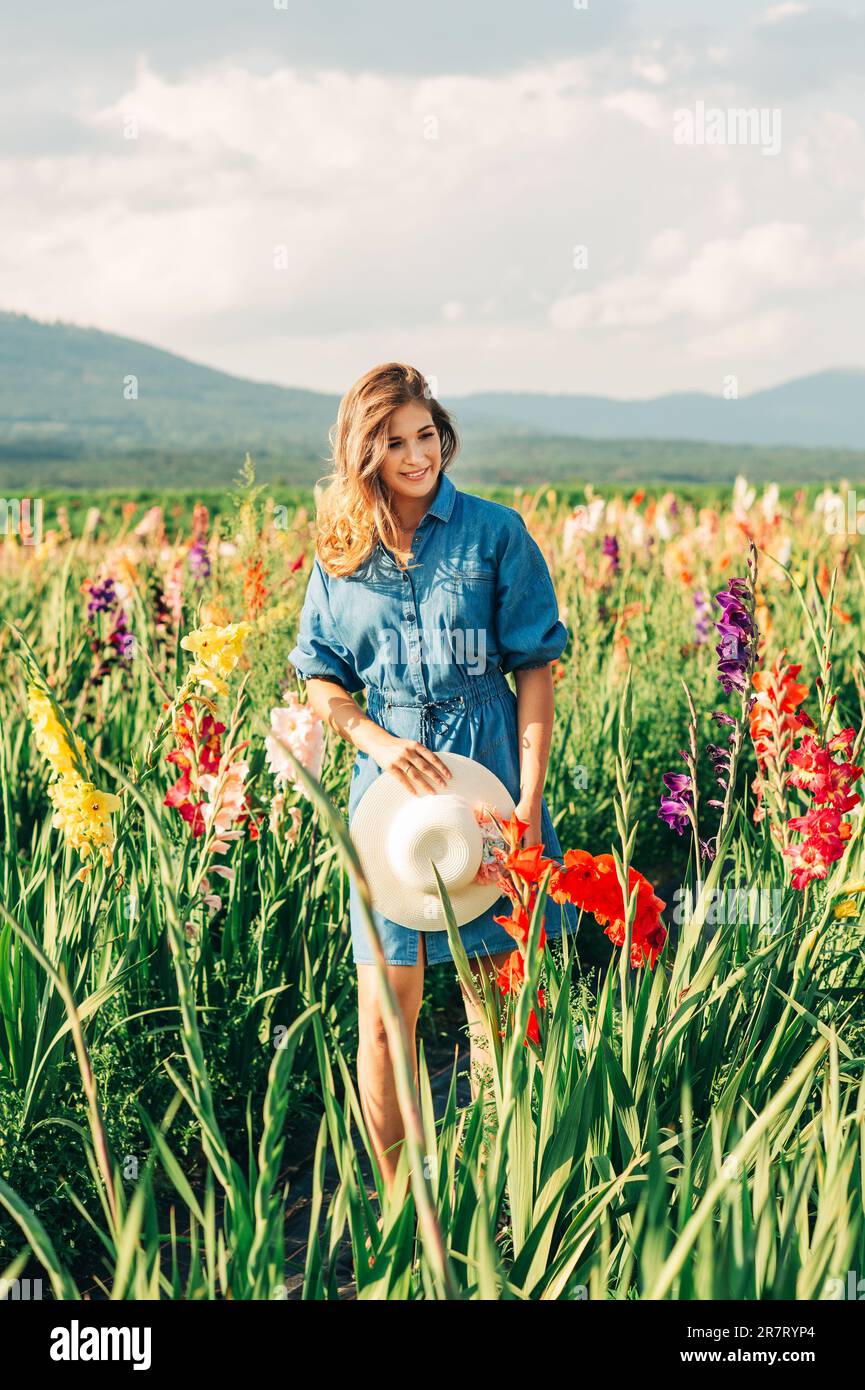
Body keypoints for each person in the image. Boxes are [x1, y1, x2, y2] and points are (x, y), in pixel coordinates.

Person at [288, 361, 578, 1197]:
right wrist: (376, 740)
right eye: (394, 442)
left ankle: (513, 1190)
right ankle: (399, 1212)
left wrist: (525, 798)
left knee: (508, 1010)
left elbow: (533, 668)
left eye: (426, 436)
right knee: (383, 1022)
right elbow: (321, 676)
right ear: (363, 452)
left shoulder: (494, 533)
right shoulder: (339, 553)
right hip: (386, 801)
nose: (417, 456)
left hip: (487, 774)